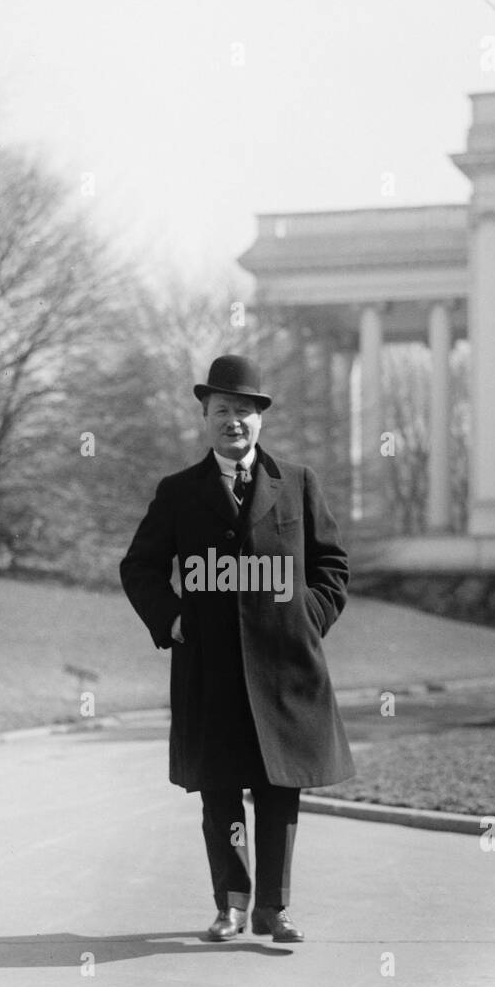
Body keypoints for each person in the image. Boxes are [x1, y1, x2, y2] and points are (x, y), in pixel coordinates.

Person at [119, 353, 355, 943]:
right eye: (222, 410)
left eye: (245, 411)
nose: (235, 421)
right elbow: (140, 567)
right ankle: (231, 905)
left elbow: (332, 566)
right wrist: (171, 621)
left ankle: (274, 909)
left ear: (260, 420)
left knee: (280, 789)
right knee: (219, 790)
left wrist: (308, 617)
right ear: (205, 418)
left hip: (284, 669)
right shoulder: (178, 493)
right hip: (210, 670)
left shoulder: (298, 484)